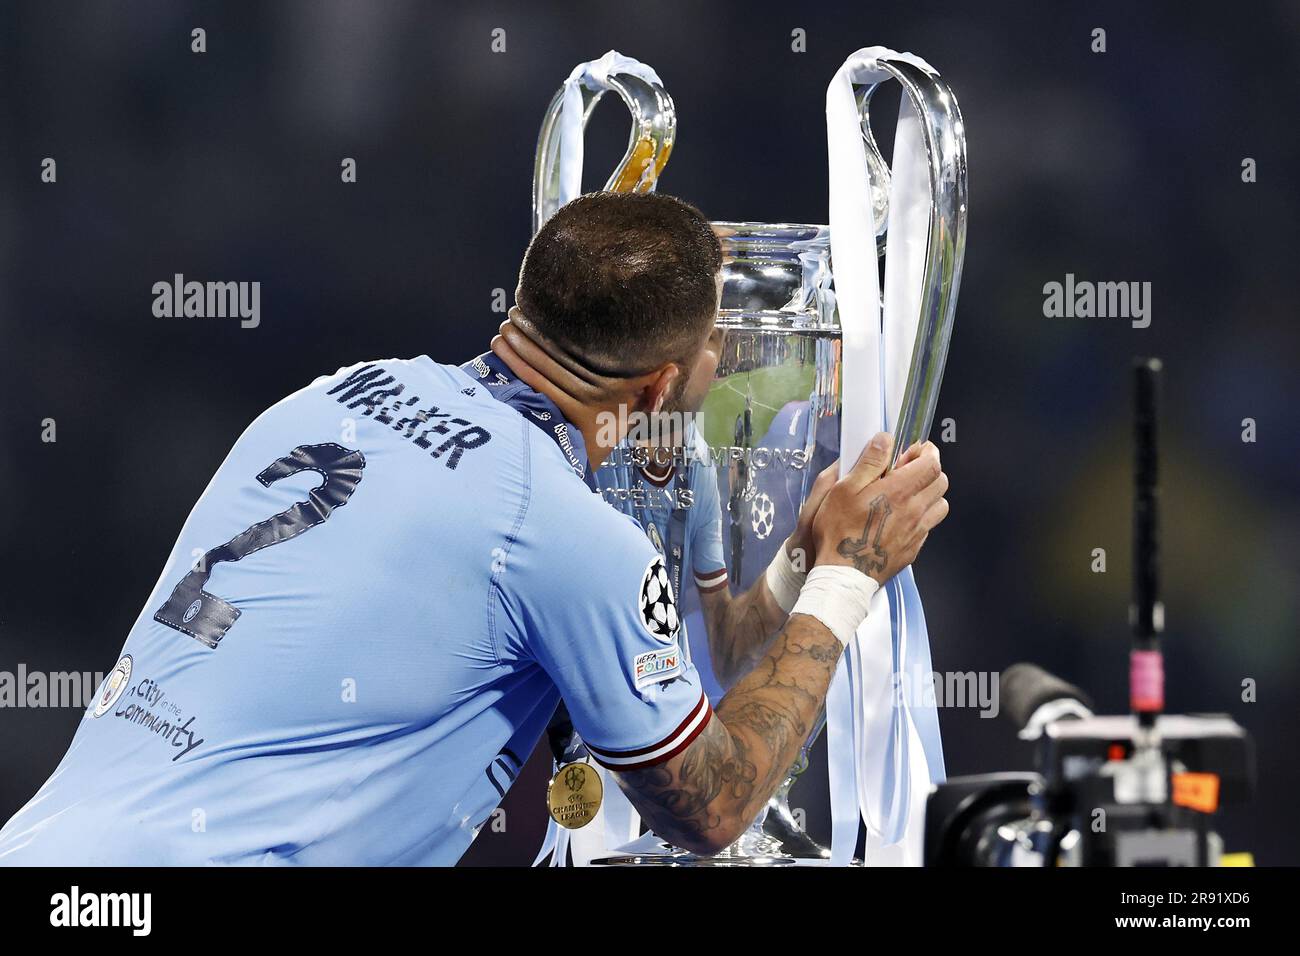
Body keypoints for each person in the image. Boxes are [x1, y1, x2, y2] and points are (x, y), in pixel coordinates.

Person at [0, 192, 948, 865]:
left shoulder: (322, 399)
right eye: (711, 350)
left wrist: (788, 554)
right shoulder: (565, 532)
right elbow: (714, 809)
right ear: (664, 384)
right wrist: (844, 577)